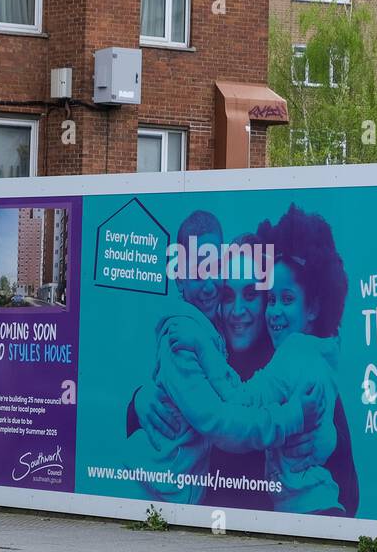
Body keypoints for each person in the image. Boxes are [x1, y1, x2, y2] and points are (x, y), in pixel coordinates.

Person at [123, 211, 324, 503]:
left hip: (250, 521)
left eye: (252, 294)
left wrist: (319, 441)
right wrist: (138, 401)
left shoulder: (289, 362)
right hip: (169, 504)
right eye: (229, 296)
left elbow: (345, 483)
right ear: (180, 279)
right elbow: (190, 407)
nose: (238, 310)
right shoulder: (197, 337)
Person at [253, 205, 350, 515]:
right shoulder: (317, 356)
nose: (274, 312)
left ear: (314, 307)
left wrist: (328, 440)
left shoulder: (297, 356)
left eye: (287, 299)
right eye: (270, 299)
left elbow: (350, 489)